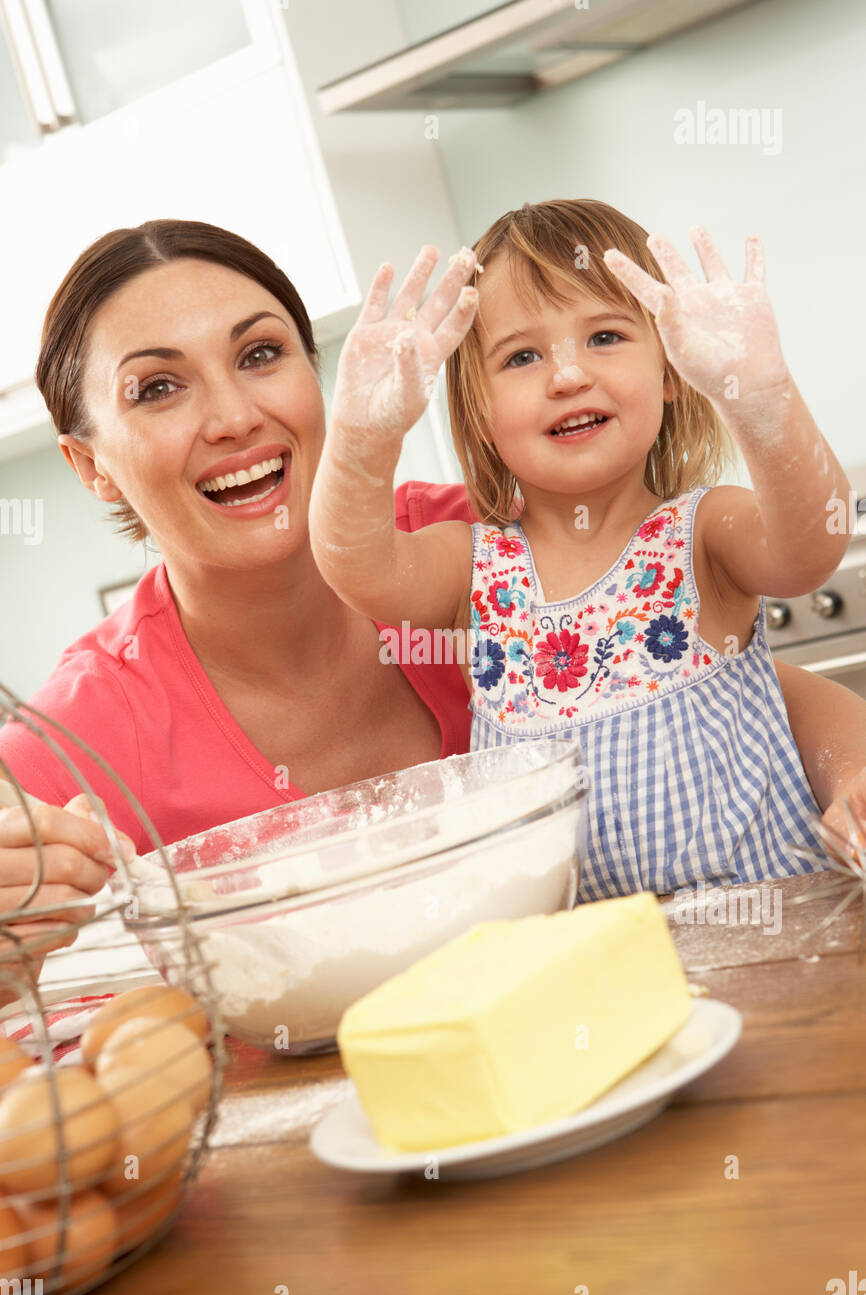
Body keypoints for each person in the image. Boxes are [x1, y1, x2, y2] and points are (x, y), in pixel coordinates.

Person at [0, 217, 861, 929]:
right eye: (156, 388)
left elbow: (718, 682)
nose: (233, 416)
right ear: (91, 467)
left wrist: (852, 767)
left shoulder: (483, 537)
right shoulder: (73, 734)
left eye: (260, 355)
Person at [308, 198, 864, 899]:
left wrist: (761, 400)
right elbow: (354, 564)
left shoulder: (704, 533)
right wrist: (363, 437)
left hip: (772, 943)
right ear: (479, 415)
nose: (567, 376)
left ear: (669, 372)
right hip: (587, 971)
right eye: (523, 356)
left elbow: (810, 547)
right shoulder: (475, 567)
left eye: (604, 337)